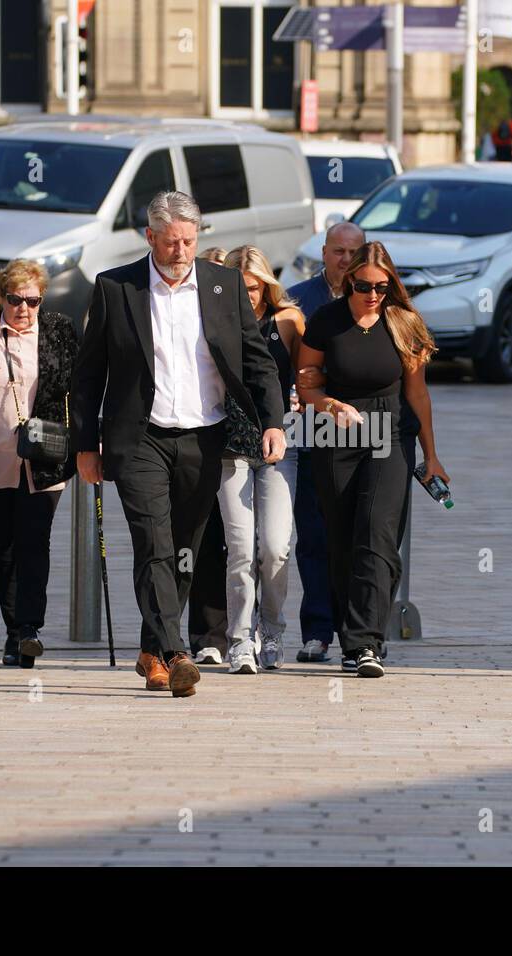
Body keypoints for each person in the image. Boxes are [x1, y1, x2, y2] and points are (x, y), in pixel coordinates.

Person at [71, 191, 286, 698]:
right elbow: (88, 375)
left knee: (184, 551)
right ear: (150, 238)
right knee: (153, 543)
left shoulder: (224, 285)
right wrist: (84, 443)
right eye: (171, 242)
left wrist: (271, 421)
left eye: (189, 241)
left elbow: (257, 361)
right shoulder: (115, 288)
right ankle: (175, 652)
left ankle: (151, 654)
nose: (181, 252)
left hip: (203, 435)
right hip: (138, 436)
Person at [295, 241, 447, 678]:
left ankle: (367, 644)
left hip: (389, 434)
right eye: (364, 285)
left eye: (382, 286)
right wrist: (329, 406)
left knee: (377, 535)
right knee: (340, 539)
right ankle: (349, 637)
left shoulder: (404, 323)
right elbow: (306, 385)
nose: (373, 294)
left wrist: (431, 455)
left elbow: (417, 393)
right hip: (333, 432)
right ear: (349, 282)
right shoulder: (325, 321)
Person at [0, 258, 79, 669]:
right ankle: (10, 631)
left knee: (34, 542)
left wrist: (92, 441)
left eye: (32, 300)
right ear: (2, 296)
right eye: (15, 299)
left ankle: (29, 631)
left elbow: (82, 385)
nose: (24, 308)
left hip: (46, 458)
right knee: (2, 547)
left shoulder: (59, 330)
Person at [218, 246, 305, 673]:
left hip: (278, 445)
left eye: (254, 288)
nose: (248, 296)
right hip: (228, 445)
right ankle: (238, 640)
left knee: (274, 547)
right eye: (240, 288)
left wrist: (308, 400)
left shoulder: (287, 321)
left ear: (266, 287)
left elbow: (309, 373)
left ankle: (272, 628)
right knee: (238, 548)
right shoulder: (215, 321)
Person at [287, 221, 365, 663]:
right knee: (314, 534)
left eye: (353, 252)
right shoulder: (299, 298)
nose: (344, 260)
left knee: (360, 535)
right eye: (337, 251)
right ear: (323, 252)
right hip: (313, 430)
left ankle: (360, 631)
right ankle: (317, 630)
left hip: (364, 432)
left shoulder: (378, 295)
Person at [189, 245, 232, 664]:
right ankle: (207, 638)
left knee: (243, 543)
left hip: (236, 442)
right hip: (193, 438)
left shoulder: (239, 321)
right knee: (204, 539)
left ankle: (246, 635)